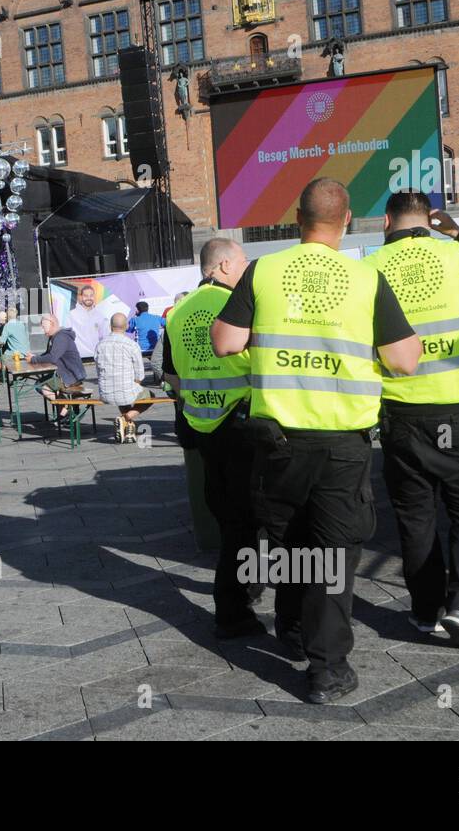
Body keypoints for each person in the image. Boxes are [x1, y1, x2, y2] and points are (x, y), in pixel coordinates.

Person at [213, 178, 421, 704]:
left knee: (288, 540)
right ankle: (327, 670)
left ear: (296, 219)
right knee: (332, 551)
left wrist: (273, 346)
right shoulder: (365, 278)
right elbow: (404, 360)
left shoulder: (264, 270)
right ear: (347, 220)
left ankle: (292, 627)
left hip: (278, 438)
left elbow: (225, 342)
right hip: (341, 440)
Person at [365, 193, 459, 648]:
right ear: (429, 220)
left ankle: (424, 608)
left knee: (415, 514)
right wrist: (456, 231)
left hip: (400, 410)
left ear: (387, 221)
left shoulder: (369, 267)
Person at [166, 237, 259, 633]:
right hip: (241, 422)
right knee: (245, 519)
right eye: (241, 262)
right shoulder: (236, 305)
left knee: (227, 516)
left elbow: (172, 378)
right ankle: (233, 609)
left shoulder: (178, 312)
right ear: (222, 266)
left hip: (202, 426)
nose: (246, 269)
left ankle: (247, 584)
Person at [95, 312, 149, 442]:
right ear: (126, 326)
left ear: (110, 326)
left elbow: (98, 371)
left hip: (105, 392)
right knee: (149, 395)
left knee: (123, 394)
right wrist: (135, 383)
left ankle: (129, 429)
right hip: (125, 392)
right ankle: (126, 418)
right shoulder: (131, 345)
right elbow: (140, 375)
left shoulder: (100, 345)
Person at [32, 314, 87, 415]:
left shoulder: (61, 337)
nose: (43, 331)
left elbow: (52, 357)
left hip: (71, 375)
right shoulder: (56, 337)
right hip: (66, 373)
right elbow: (48, 354)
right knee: (41, 383)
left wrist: (34, 359)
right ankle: (67, 409)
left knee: (40, 385)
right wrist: (34, 357)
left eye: (44, 327)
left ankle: (67, 411)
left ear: (52, 324)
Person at [65, 284, 109, 359]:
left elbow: (105, 337)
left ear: (94, 297)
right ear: (81, 297)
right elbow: (67, 336)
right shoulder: (71, 315)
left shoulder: (101, 316)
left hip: (96, 357)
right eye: (86, 295)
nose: (89, 298)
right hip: (77, 357)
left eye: (91, 295)